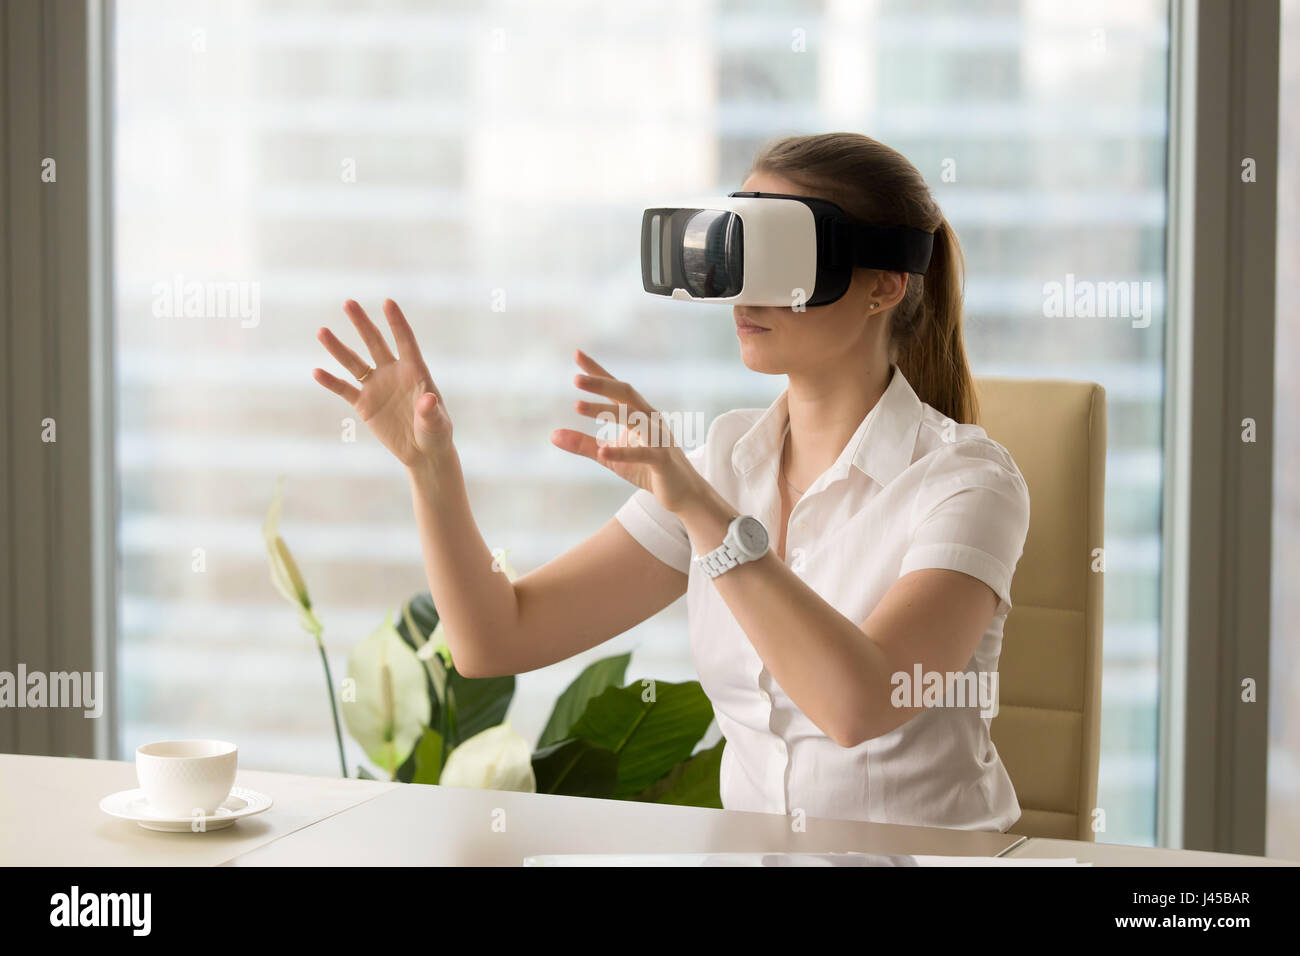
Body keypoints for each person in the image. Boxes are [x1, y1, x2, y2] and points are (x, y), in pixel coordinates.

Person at [312, 132, 1031, 831]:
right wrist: (431, 468)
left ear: (881, 286)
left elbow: (859, 704)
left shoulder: (967, 483)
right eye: (735, 249)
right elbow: (495, 639)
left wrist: (702, 513)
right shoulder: (724, 459)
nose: (742, 293)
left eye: (778, 254)